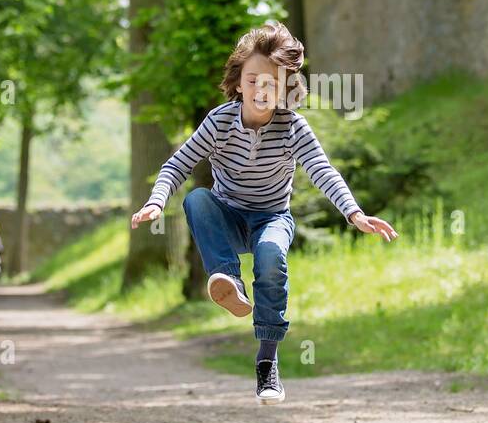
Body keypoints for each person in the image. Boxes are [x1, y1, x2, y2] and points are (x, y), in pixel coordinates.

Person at [131, 21, 397, 403]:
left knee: (271, 256)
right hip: (227, 214)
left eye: (271, 82)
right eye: (253, 80)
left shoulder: (293, 127)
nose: (261, 89)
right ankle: (227, 278)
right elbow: (178, 165)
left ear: (285, 88)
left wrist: (354, 214)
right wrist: (156, 200)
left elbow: (323, 171)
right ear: (239, 83)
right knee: (196, 199)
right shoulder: (220, 122)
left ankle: (267, 363)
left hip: (272, 218)